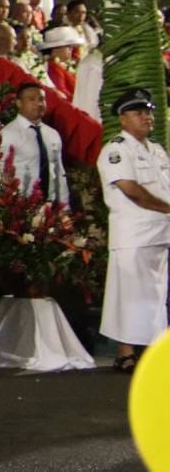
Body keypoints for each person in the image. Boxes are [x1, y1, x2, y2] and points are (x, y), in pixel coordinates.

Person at [96, 89, 170, 373]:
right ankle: (125, 353)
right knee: (128, 294)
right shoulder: (116, 149)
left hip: (159, 233)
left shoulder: (157, 150)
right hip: (133, 233)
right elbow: (131, 190)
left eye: (148, 112)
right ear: (123, 119)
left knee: (154, 295)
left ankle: (152, 351)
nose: (146, 117)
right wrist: (167, 209)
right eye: (138, 112)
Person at [0, 82, 68, 203]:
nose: (39, 104)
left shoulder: (52, 134)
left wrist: (64, 208)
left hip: (50, 207)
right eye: (32, 99)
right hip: (20, 207)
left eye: (42, 99)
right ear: (19, 103)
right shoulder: (6, 135)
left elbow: (59, 173)